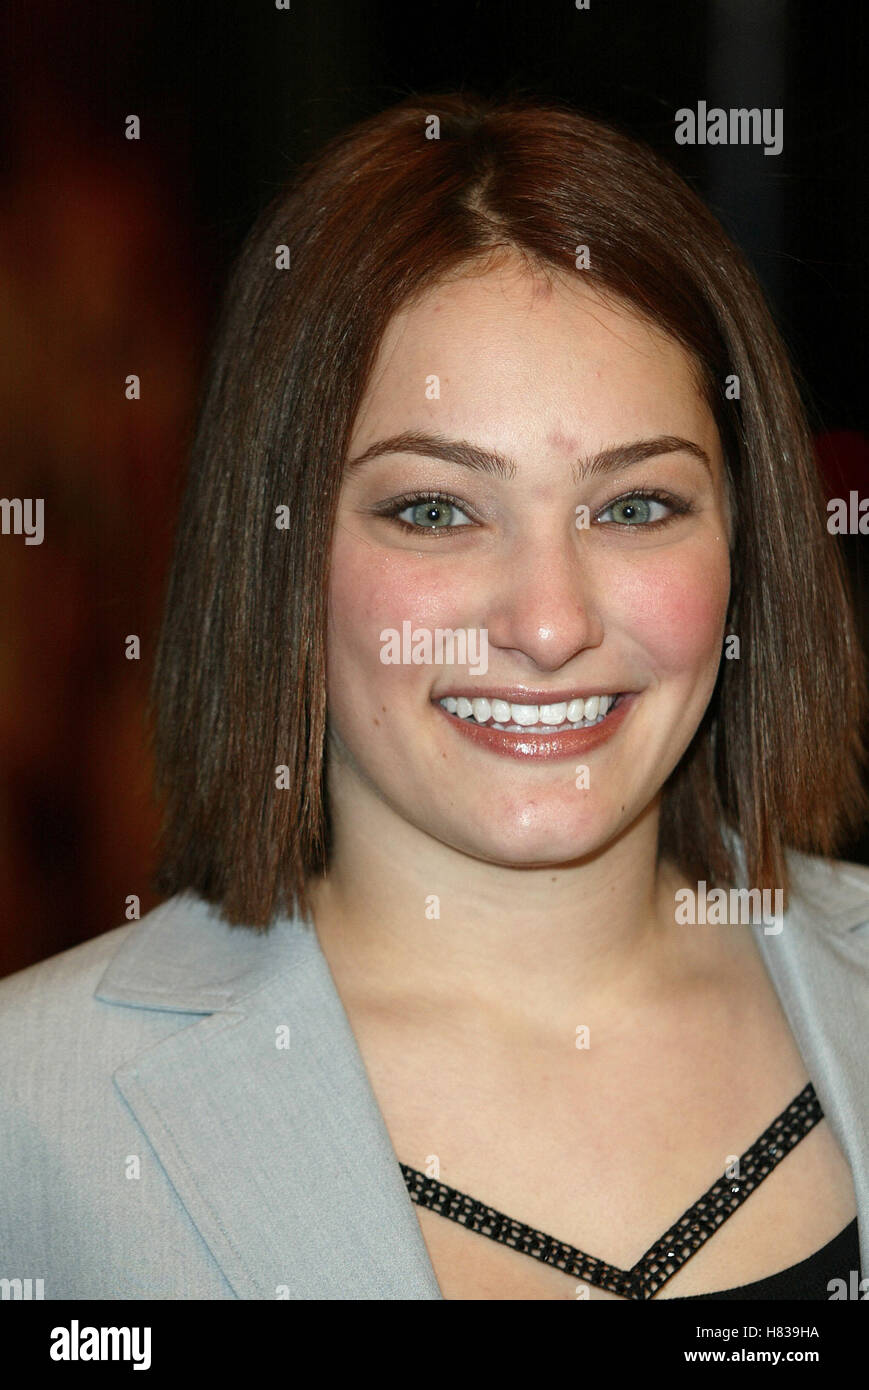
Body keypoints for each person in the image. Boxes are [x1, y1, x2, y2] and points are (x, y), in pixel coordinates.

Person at [1, 92, 867, 1302]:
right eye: (435, 510)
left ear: (746, 538)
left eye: (632, 507)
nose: (550, 623)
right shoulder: (32, 1114)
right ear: (282, 551)